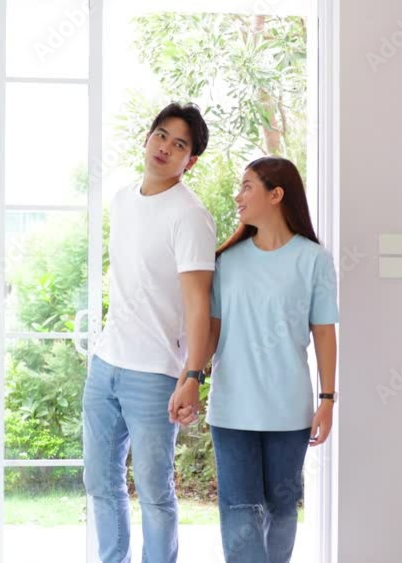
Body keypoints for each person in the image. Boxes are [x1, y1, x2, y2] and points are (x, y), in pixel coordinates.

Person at [83, 102, 215, 563]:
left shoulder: (190, 215)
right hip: (106, 364)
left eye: (179, 145)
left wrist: (193, 375)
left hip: (156, 372)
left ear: (190, 161)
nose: (165, 147)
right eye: (161, 135)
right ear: (147, 138)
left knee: (155, 494)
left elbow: (199, 303)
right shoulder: (122, 200)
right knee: (100, 483)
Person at [191, 156, 339, 562]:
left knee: (282, 510)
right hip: (232, 409)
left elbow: (324, 332)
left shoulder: (313, 260)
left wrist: (327, 400)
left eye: (247, 187)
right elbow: (212, 332)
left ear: (276, 195)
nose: (238, 196)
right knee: (239, 512)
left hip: (289, 412)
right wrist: (191, 377)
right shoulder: (227, 261)